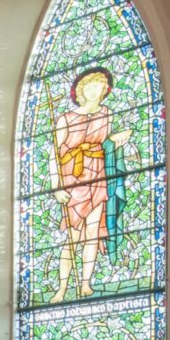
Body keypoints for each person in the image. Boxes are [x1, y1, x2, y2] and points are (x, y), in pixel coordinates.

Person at [51, 67, 131, 302]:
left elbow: (108, 144)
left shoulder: (106, 115)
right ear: (80, 90)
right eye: (90, 85)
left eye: (100, 86)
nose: (95, 90)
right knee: (73, 236)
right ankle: (62, 287)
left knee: (93, 233)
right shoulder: (65, 119)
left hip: (97, 177)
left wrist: (116, 140)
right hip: (73, 178)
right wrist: (57, 187)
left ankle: (86, 283)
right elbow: (54, 154)